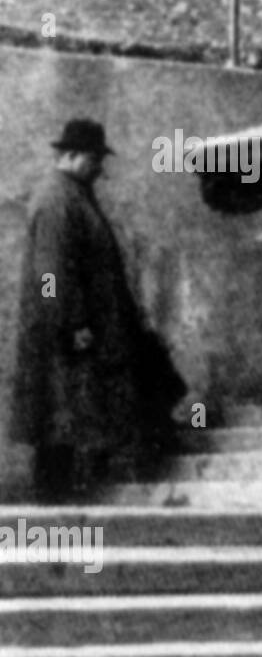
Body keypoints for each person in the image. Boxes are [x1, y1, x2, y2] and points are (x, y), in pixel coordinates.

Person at [9, 119, 179, 500]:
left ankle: (69, 496)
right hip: (66, 335)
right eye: (94, 158)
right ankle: (53, 505)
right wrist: (70, 323)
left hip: (86, 330)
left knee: (70, 417)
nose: (100, 168)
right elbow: (49, 274)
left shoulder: (74, 194)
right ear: (69, 155)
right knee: (59, 419)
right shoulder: (56, 200)